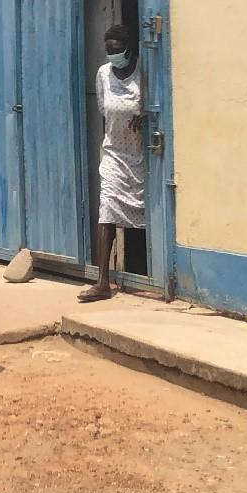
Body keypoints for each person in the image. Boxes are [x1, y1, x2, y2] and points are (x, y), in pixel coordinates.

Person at [79, 23, 145, 303]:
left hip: (144, 155)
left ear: (128, 48)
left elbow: (156, 105)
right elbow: (103, 115)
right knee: (106, 209)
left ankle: (150, 272)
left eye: (117, 49)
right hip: (114, 154)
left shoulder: (144, 70)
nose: (112, 54)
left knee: (148, 211)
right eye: (108, 50)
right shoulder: (103, 74)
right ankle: (103, 281)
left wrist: (145, 117)